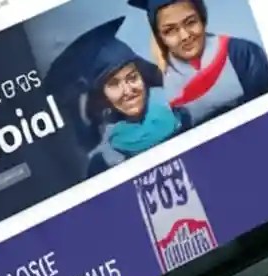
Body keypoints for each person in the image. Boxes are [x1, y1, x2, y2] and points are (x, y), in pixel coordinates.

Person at [45, 17, 191, 176]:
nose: (128, 90)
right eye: (114, 84)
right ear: (103, 96)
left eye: (132, 77)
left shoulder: (180, 117)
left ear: (143, 77)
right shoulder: (104, 163)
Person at [128, 0, 268, 125]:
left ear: (203, 19)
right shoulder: (161, 87)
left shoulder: (242, 53)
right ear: (159, 37)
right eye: (170, 31)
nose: (185, 36)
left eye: (191, 22)